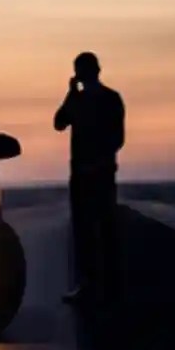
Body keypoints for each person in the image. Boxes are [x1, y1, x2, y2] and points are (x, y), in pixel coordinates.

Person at [54, 51, 125, 305]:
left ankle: (105, 287)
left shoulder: (108, 99)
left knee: (102, 231)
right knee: (88, 232)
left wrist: (97, 161)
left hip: (97, 174)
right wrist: (71, 94)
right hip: (88, 175)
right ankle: (93, 286)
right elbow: (59, 123)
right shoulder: (82, 101)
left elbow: (116, 138)